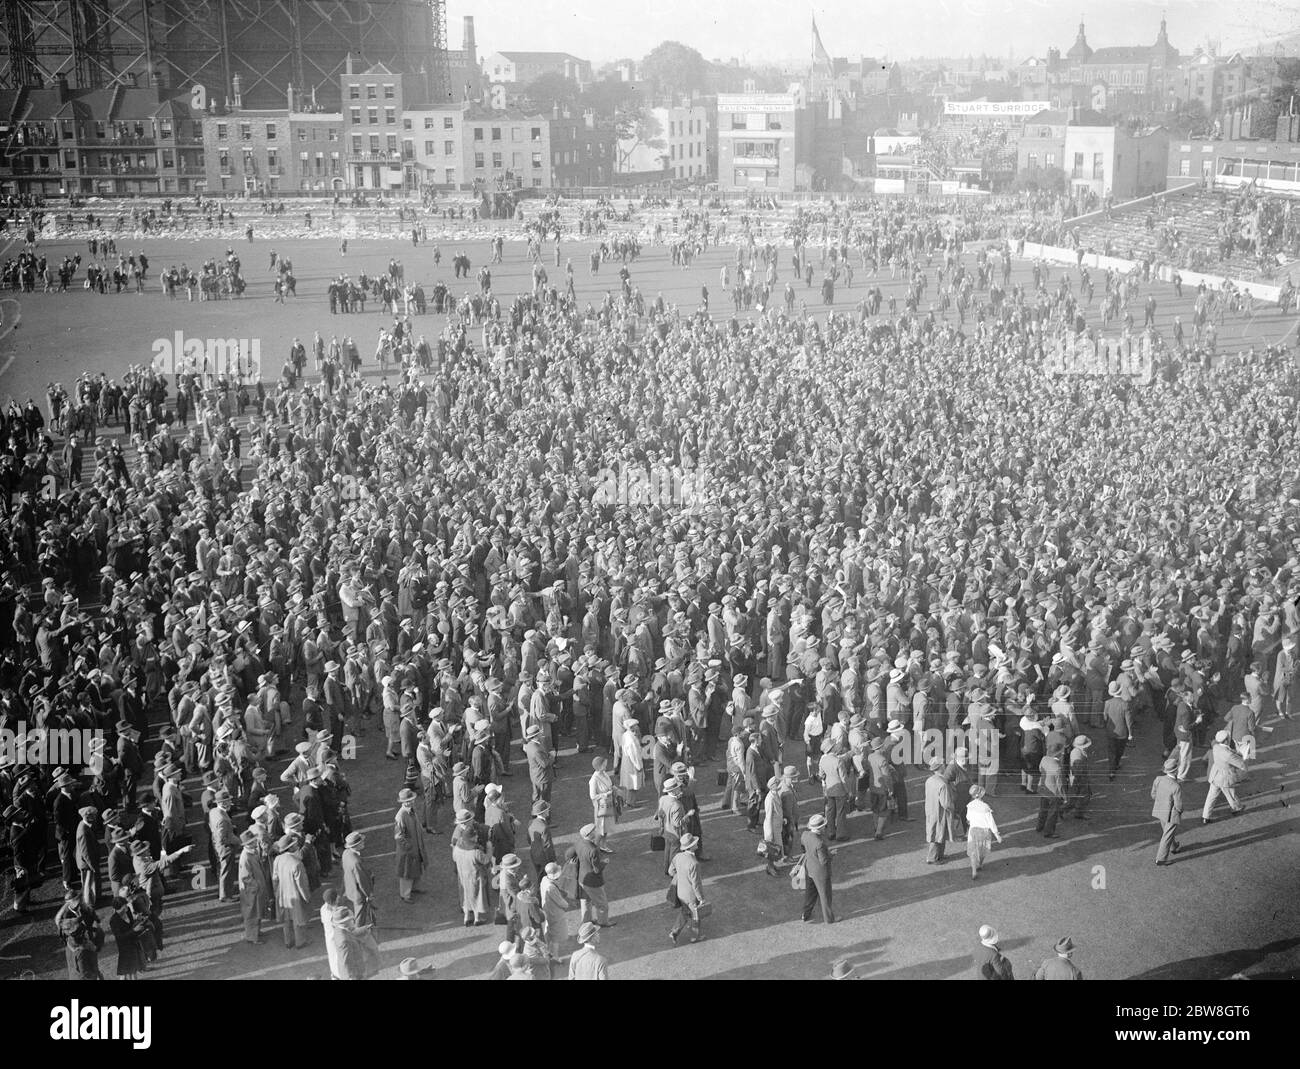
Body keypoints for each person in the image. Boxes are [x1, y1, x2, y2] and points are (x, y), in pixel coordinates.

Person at [450, 808, 491, 925]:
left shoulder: (458, 845)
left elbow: (454, 856)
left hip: (462, 870)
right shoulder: (474, 851)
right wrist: (488, 849)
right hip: (474, 873)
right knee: (477, 894)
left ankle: (467, 917)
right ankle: (477, 918)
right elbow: (485, 859)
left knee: (466, 893)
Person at [271, 834, 311, 948]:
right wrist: (306, 897)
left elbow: (275, 879)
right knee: (298, 920)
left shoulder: (278, 859)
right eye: (295, 845)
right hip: (295, 895)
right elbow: (302, 884)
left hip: (282, 894)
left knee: (286, 920)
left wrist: (276, 892)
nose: (297, 846)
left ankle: (288, 941)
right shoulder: (297, 863)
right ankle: (300, 942)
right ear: (290, 847)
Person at [667, 832, 706, 946]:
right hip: (691, 896)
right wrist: (701, 898)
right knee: (696, 916)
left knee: (684, 912)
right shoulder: (694, 863)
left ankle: (674, 932)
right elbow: (696, 884)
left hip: (680, 892)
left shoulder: (678, 856)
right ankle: (695, 937)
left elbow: (671, 871)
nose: (697, 843)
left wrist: (681, 876)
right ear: (691, 846)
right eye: (695, 843)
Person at [574, 822, 614, 929]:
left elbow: (571, 854)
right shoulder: (593, 850)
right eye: (594, 831)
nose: (596, 832)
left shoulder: (579, 843)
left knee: (586, 901)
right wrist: (604, 862)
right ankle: (603, 921)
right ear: (590, 834)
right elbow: (596, 870)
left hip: (582, 878)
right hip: (593, 882)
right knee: (601, 903)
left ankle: (586, 921)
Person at [1202, 730, 1246, 824]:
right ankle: (1236, 808)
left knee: (1211, 797)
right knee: (1231, 793)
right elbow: (1241, 764)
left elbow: (1227, 751)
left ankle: (1206, 816)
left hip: (1215, 775)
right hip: (1225, 777)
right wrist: (1240, 752)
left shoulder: (1216, 747)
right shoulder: (1228, 754)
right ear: (1226, 740)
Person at [799, 813, 834, 925]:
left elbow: (804, 849)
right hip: (821, 874)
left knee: (810, 894)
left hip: (810, 869)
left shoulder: (805, 835)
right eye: (824, 826)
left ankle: (805, 914)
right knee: (825, 897)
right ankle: (829, 919)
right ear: (820, 828)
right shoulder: (820, 843)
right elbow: (824, 861)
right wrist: (831, 854)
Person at [394, 787, 427, 903]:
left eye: (411, 799)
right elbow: (398, 836)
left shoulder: (411, 810)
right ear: (402, 802)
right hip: (407, 850)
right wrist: (408, 847)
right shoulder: (401, 815)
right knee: (406, 872)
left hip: (415, 846)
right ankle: (405, 895)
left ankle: (415, 887)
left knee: (415, 867)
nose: (410, 802)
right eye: (407, 801)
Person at [1150, 756, 1184, 866]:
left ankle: (1174, 847)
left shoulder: (1158, 779)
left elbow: (1153, 795)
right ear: (1175, 770)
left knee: (1167, 831)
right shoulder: (1176, 786)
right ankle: (1160, 859)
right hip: (1171, 814)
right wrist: (1179, 811)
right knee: (1167, 835)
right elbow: (1179, 805)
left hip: (1160, 810)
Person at [237, 828, 270, 944]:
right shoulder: (245, 857)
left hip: (256, 889)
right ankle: (252, 937)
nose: (257, 842)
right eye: (254, 840)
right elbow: (245, 877)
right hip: (251, 890)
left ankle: (256, 932)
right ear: (249, 843)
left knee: (257, 911)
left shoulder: (252, 852)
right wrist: (256, 886)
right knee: (251, 913)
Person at [965, 784, 1002, 879]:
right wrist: (997, 835)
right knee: (982, 850)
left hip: (973, 831)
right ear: (981, 795)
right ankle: (980, 864)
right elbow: (991, 822)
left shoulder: (970, 806)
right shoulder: (985, 807)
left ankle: (974, 871)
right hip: (984, 832)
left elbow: (968, 818)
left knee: (973, 852)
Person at [923, 756, 954, 864]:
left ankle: (939, 855)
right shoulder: (943, 783)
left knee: (938, 833)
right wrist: (953, 808)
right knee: (937, 835)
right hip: (940, 813)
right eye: (943, 764)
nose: (945, 765)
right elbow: (946, 803)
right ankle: (931, 858)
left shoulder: (929, 780)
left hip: (930, 810)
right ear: (940, 767)